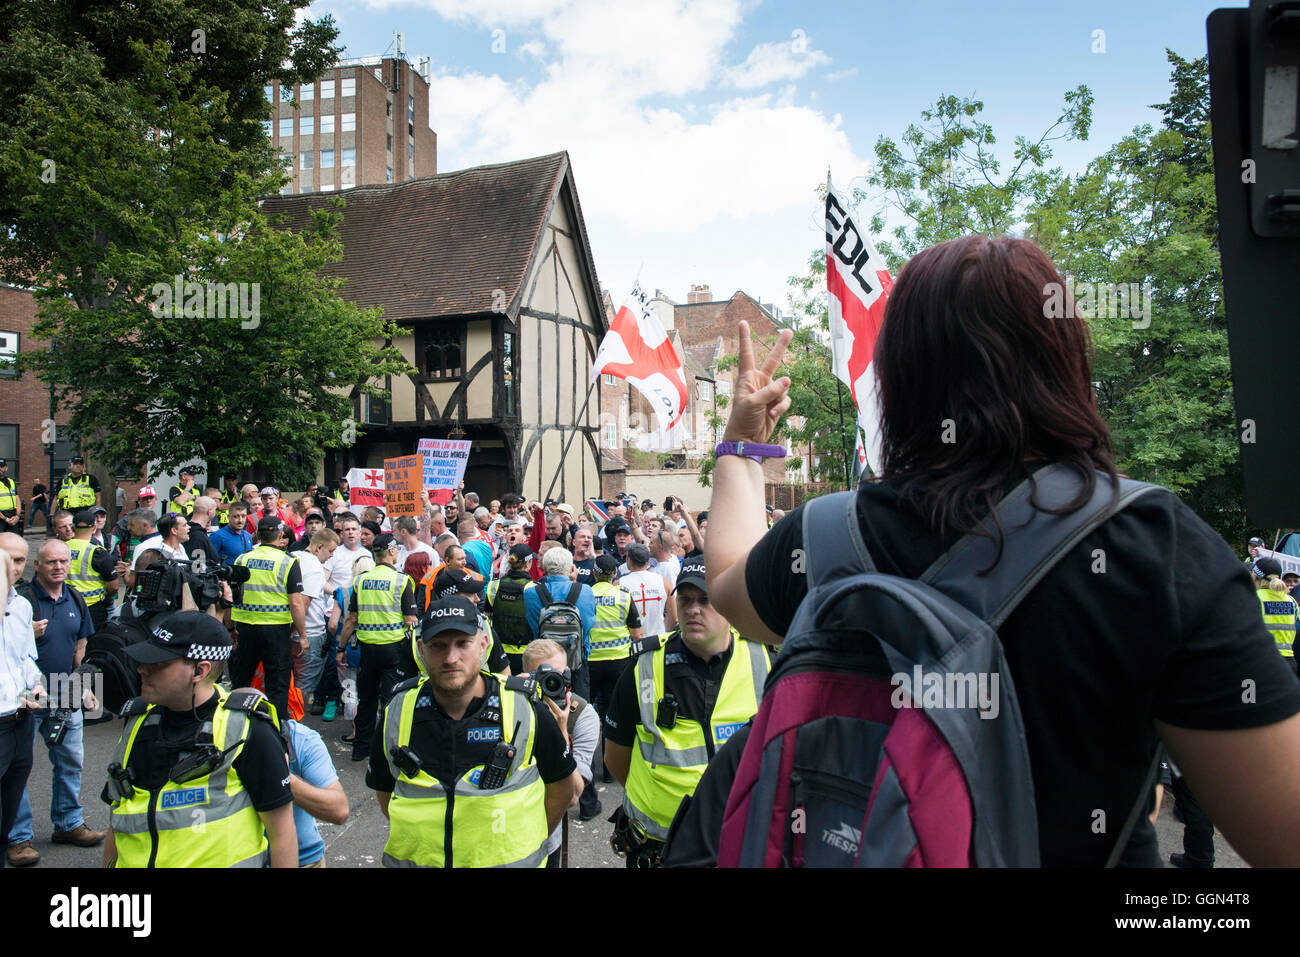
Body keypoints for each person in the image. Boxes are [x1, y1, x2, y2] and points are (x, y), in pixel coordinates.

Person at [703, 237, 1300, 867]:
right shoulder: (1152, 545)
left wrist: (742, 443)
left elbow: (725, 585)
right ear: (1065, 359)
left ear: (899, 378)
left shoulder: (823, 537)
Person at [366, 594, 582, 867]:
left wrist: (532, 838)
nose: (451, 657)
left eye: (462, 643)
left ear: (483, 645)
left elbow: (562, 789)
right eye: (438, 646)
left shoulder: (525, 708)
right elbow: (386, 793)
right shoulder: (397, 711)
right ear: (421, 649)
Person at [604, 555, 771, 866]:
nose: (693, 609)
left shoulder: (763, 658)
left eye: (705, 600)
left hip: (737, 841)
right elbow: (615, 755)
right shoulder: (645, 664)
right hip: (658, 848)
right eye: (686, 599)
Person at [101, 611, 297, 867]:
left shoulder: (246, 730)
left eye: (158, 663)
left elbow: (282, 833)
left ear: (199, 670)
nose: (142, 670)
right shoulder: (137, 723)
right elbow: (118, 822)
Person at [7, 538, 103, 865]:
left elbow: (81, 646)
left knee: (70, 760)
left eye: (63, 561)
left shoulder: (75, 597)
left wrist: (84, 686)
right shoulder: (21, 601)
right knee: (19, 768)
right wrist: (25, 633)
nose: (59, 567)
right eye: (51, 562)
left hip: (65, 692)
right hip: (26, 698)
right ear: (38, 565)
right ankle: (18, 839)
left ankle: (68, 823)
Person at [336, 534, 418, 762]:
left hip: (367, 649)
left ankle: (361, 748)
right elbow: (411, 620)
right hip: (394, 649)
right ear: (392, 552)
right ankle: (386, 751)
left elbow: (351, 619)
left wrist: (341, 648)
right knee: (391, 701)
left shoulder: (361, 581)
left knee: (367, 699)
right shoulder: (402, 581)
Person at [522, 638, 600, 864]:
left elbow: (573, 796)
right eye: (542, 677)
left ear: (567, 674)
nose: (551, 683)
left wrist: (560, 731)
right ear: (527, 677)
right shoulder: (510, 707)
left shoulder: (582, 715)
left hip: (548, 834)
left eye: (557, 675)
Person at [230, 517, 306, 726]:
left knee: (241, 678)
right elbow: (296, 603)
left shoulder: (241, 559)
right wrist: (303, 634)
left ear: (258, 535)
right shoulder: (288, 562)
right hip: (276, 630)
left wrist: (230, 628)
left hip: (245, 628)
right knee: (278, 682)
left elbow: (230, 596)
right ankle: (277, 726)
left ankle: (235, 721)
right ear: (281, 536)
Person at [0, 541, 44, 868]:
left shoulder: (23, 607)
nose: (13, 569)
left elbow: (25, 660)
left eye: (19, 561)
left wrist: (37, 686)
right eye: (6, 561)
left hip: (20, 722)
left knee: (6, 821)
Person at [523, 547, 596, 700]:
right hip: (576, 662)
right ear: (571, 567)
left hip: (542, 663)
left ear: (544, 567)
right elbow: (588, 625)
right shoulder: (586, 591)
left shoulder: (531, 593)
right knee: (579, 708)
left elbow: (532, 626)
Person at [286, 718, 348, 867]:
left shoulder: (300, 738)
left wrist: (284, 778)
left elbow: (339, 810)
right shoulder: (225, 737)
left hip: (304, 857)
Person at [290, 529, 339, 705]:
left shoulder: (294, 556)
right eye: (331, 551)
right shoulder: (314, 567)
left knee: (291, 684)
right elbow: (302, 603)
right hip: (309, 632)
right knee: (303, 687)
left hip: (292, 631)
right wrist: (300, 634)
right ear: (319, 547)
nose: (332, 556)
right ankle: (295, 724)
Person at [484, 543, 536, 673]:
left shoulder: (493, 585)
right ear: (528, 563)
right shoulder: (534, 589)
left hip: (498, 651)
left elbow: (486, 616)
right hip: (525, 651)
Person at [65, 509, 119, 630]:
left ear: (73, 528)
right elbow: (114, 586)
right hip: (92, 608)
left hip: (66, 605)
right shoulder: (97, 552)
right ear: (94, 528)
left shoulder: (63, 547)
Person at [1251, 556, 1300, 672]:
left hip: (1261, 661)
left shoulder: (1253, 598)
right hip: (1288, 663)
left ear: (1255, 576)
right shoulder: (1291, 601)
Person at [618, 543, 672, 637]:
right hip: (659, 642)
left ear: (628, 560)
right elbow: (673, 617)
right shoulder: (664, 582)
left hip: (632, 644)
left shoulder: (619, 584)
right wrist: (664, 635)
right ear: (648, 561)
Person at [324, 514, 367, 593]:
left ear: (360, 533)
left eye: (354, 529)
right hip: (336, 602)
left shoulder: (367, 554)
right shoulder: (333, 553)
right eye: (347, 529)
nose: (351, 532)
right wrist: (338, 595)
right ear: (341, 534)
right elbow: (322, 581)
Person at [211, 500, 255, 565]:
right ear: (228, 517)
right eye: (236, 516)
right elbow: (210, 561)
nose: (240, 520)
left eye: (243, 516)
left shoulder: (247, 536)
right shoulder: (217, 536)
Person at [182, 496, 220, 567]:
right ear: (209, 511)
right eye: (215, 510)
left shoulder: (186, 532)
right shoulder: (198, 537)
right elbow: (196, 569)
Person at [0, 459, 22, 536]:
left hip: (12, 516)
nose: (0, 468)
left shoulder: (11, 482)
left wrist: (17, 516)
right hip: (1, 517)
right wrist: (5, 518)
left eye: (1, 466)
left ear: (6, 468)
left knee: (14, 541)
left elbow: (17, 500)